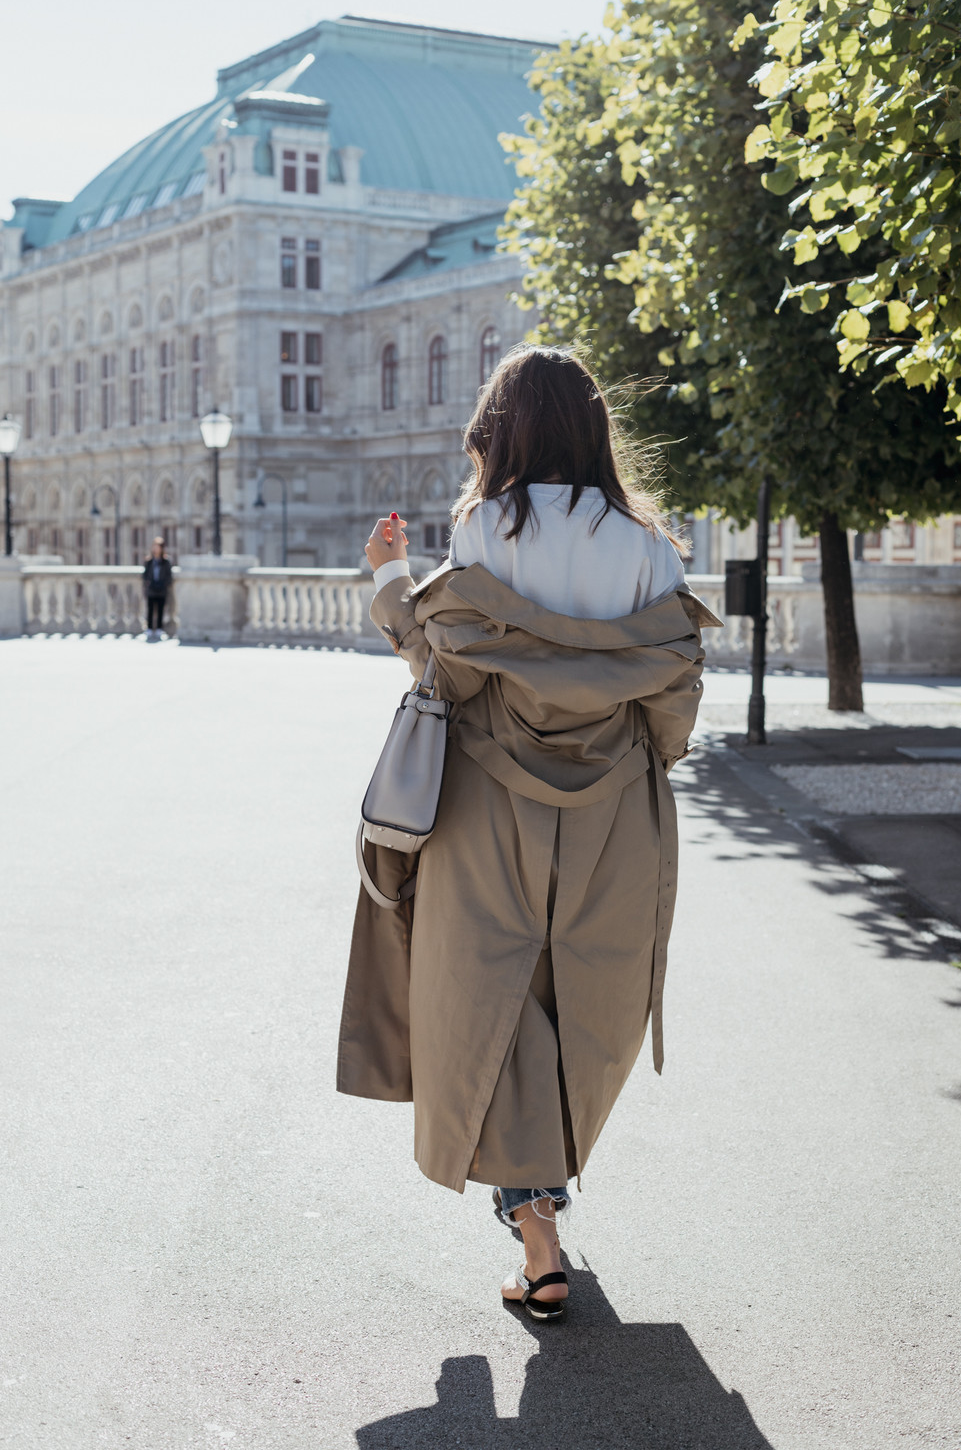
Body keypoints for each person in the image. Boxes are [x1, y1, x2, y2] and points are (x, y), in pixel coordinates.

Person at [338, 345, 721, 1323]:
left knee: (492, 1006)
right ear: (595, 430)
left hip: (488, 811)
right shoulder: (648, 547)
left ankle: (537, 1230)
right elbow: (673, 710)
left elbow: (443, 669)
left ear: (498, 433)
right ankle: (540, 1206)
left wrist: (391, 580)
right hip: (615, 819)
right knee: (588, 1009)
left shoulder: (481, 531)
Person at [141, 536, 173, 639]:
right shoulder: (149, 561)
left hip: (162, 589)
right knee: (150, 609)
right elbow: (144, 575)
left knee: (160, 610)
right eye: (154, 546)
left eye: (158, 547)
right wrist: (149, 583)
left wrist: (163, 584)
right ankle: (149, 628)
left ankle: (159, 628)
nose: (156, 549)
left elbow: (169, 576)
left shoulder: (166, 561)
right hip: (151, 589)